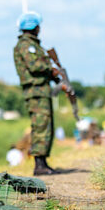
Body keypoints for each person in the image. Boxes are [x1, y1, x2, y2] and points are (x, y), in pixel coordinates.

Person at [13, 12, 63, 175]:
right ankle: (39, 165)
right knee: (41, 126)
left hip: (41, 90)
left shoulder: (32, 45)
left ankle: (43, 162)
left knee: (46, 126)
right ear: (33, 27)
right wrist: (51, 70)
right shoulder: (27, 45)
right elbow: (34, 66)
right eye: (38, 26)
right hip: (36, 91)